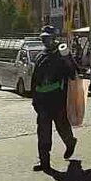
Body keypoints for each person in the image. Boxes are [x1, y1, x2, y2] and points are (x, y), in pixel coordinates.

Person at [30, 27, 77, 170]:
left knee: (62, 127)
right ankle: (44, 162)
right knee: (43, 131)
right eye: (44, 38)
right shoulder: (40, 56)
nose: (46, 41)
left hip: (57, 99)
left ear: (54, 38)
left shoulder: (61, 55)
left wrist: (67, 58)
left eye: (48, 38)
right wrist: (35, 99)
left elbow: (73, 73)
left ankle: (70, 142)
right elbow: (34, 80)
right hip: (43, 101)